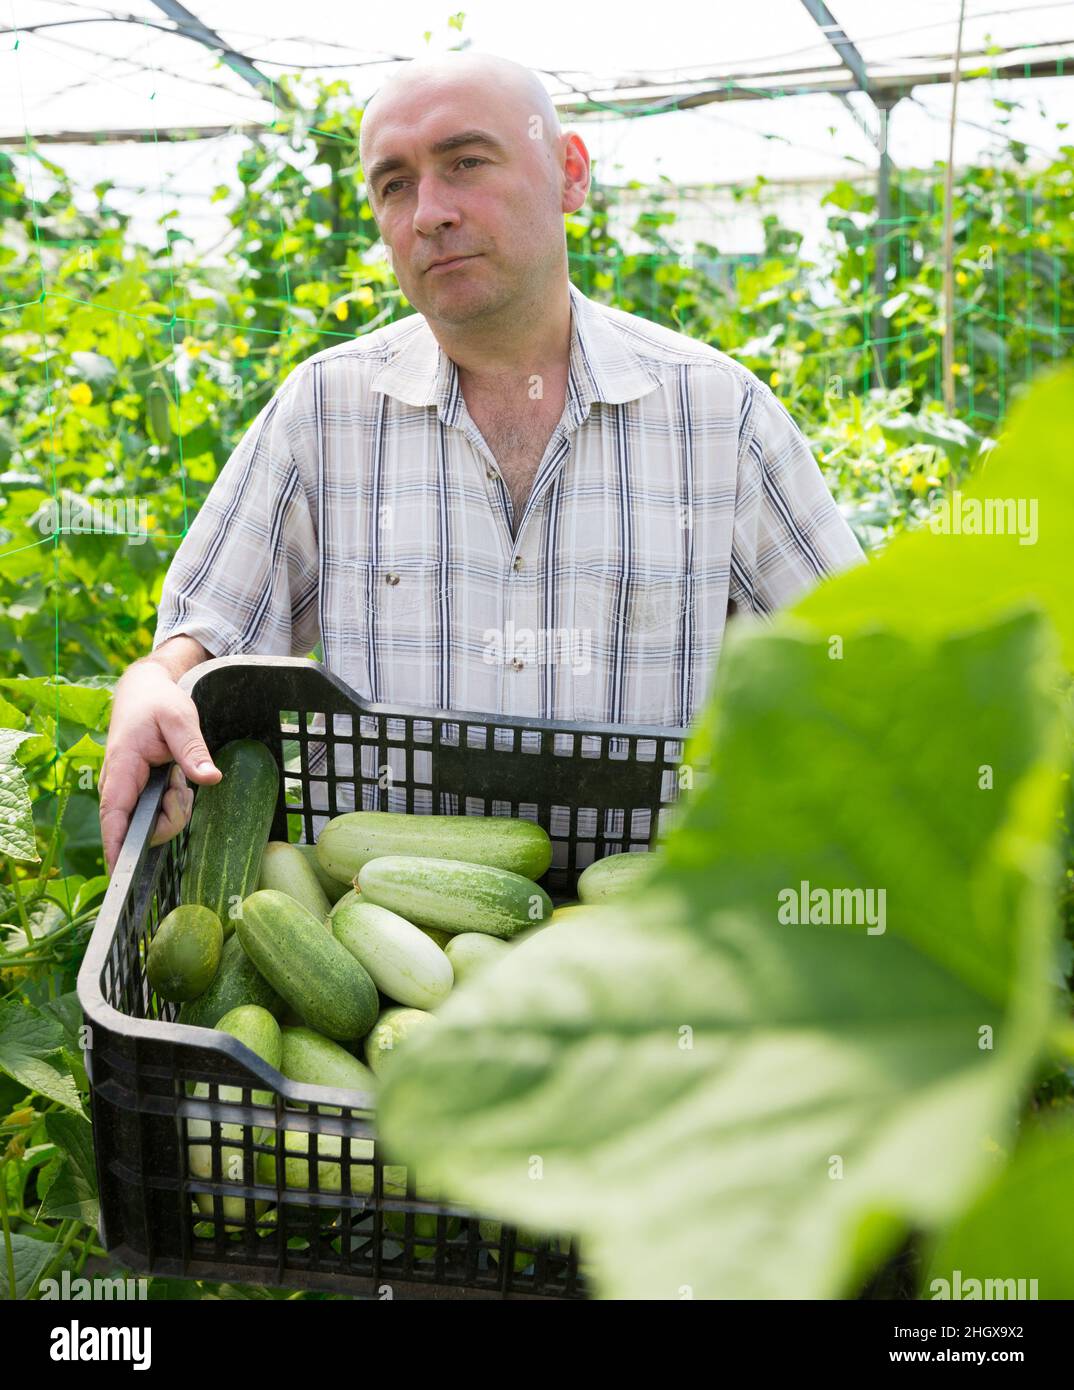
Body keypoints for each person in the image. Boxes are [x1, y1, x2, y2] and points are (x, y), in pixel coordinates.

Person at [98, 51, 864, 873]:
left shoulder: (719, 416)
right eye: (394, 184)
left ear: (570, 175)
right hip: (384, 938)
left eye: (466, 162)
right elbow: (206, 636)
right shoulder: (326, 409)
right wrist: (150, 682)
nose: (429, 212)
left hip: (647, 941)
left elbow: (859, 665)